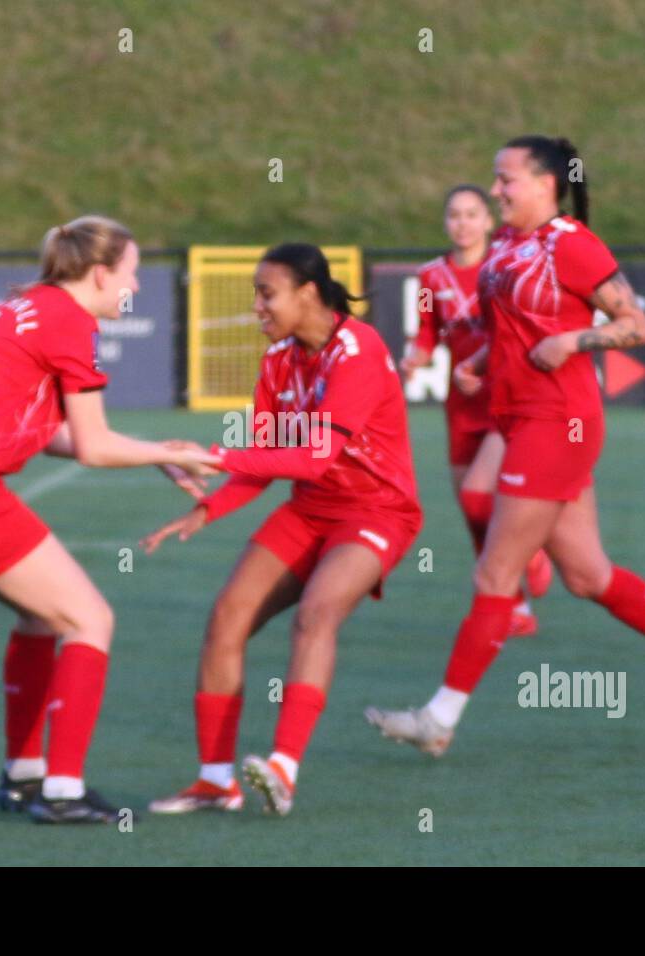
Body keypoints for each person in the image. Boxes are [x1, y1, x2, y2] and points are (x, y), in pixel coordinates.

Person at [365, 136, 645, 756]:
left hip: (558, 420)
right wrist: (483, 360)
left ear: (544, 183)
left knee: (495, 573)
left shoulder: (572, 244)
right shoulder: (511, 244)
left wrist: (575, 342)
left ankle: (440, 719)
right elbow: (517, 325)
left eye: (504, 179)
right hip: (520, 417)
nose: (495, 190)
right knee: (589, 576)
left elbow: (636, 325)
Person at [0, 216, 218, 823]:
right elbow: (93, 447)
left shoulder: (23, 306)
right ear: (98, 273)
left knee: (42, 614)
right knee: (91, 618)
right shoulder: (70, 320)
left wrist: (154, 454)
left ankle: (25, 776)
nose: (135, 286)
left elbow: (39, 430)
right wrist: (170, 453)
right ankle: (63, 792)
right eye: (131, 273)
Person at [142, 243, 423, 817]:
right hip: (311, 509)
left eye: (266, 294)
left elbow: (315, 454)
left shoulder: (358, 349)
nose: (256, 307)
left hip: (377, 511)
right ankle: (216, 780)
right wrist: (207, 509)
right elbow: (270, 456)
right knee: (227, 617)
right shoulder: (277, 362)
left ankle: (283, 768)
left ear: (309, 293)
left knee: (317, 612)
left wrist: (214, 454)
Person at [401, 185, 550, 635]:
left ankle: (532, 552)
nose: (463, 224)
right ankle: (515, 606)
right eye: (454, 215)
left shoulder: (504, 267)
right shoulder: (431, 278)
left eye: (472, 214)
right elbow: (427, 333)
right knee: (471, 509)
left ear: (488, 221)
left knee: (478, 496)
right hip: (461, 404)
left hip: (503, 397)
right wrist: (414, 358)